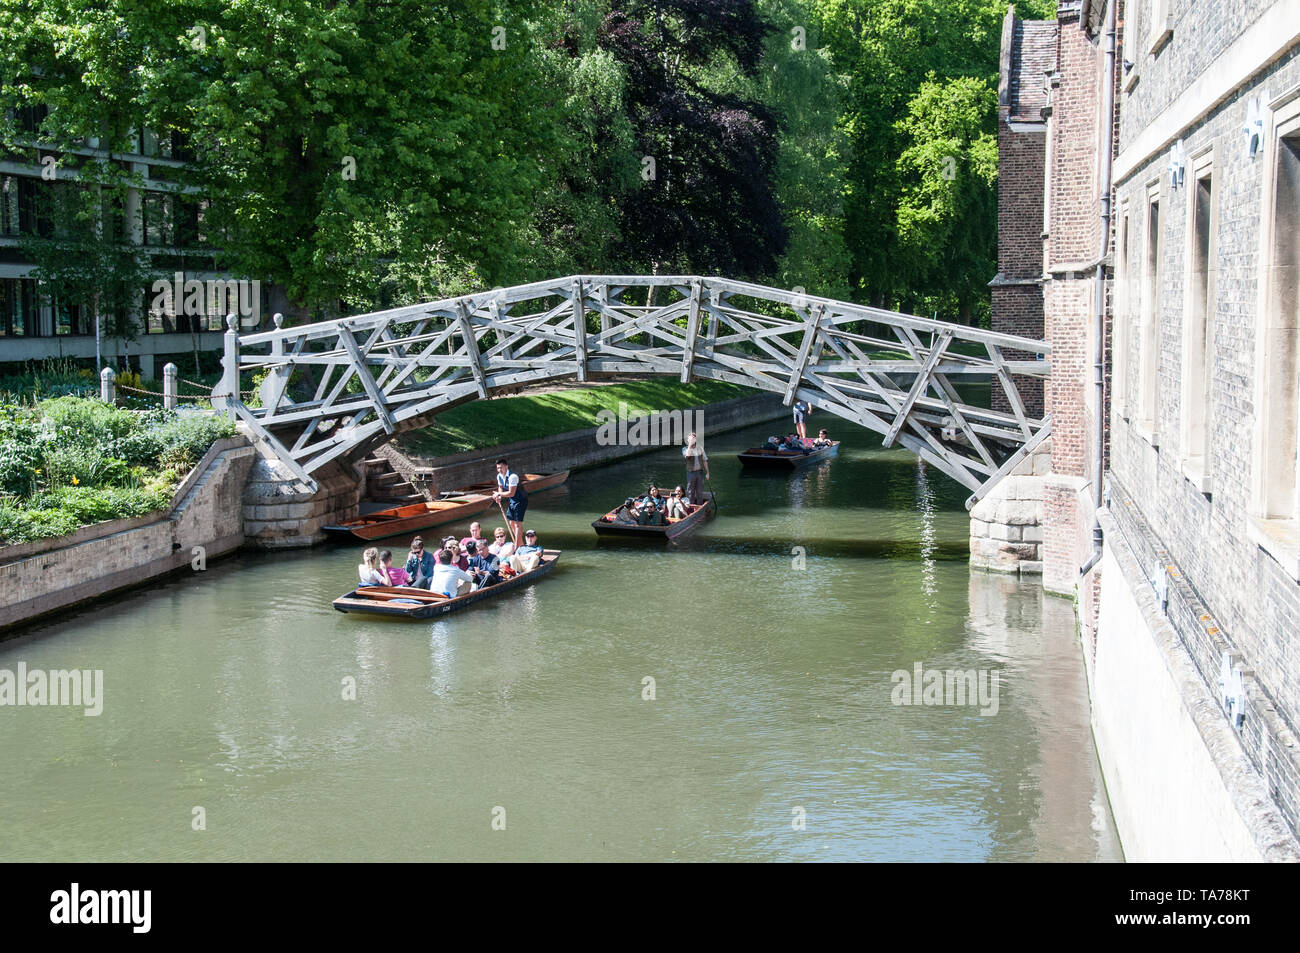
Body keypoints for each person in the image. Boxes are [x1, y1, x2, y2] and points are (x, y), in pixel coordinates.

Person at [491, 458, 528, 553]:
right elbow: (500, 487)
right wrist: (499, 496)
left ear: (506, 467)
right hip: (513, 500)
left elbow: (511, 493)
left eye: (501, 468)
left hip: (521, 500)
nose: (500, 470)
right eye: (498, 468)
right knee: (511, 523)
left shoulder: (513, 477)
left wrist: (499, 495)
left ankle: (516, 546)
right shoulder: (499, 476)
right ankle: (521, 544)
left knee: (517, 524)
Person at [682, 432, 710, 505]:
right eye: (691, 438)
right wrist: (690, 445)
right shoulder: (685, 449)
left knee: (700, 491)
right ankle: (690, 506)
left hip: (700, 472)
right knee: (690, 491)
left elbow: (705, 460)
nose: (693, 439)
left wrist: (707, 473)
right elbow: (687, 456)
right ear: (688, 440)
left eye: (694, 438)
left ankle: (699, 506)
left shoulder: (700, 448)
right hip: (691, 473)